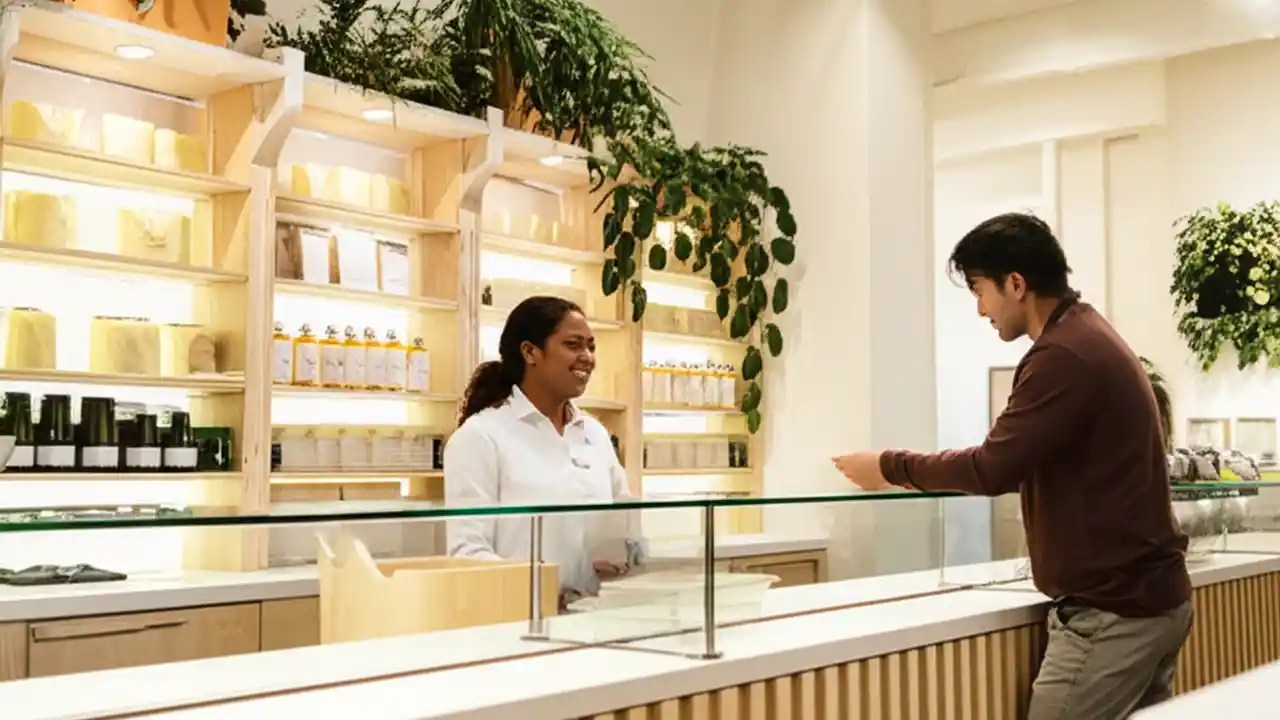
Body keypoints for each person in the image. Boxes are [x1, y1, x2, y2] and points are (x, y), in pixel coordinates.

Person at [832, 213, 1192, 719]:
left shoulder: (1063, 355)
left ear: (1016, 284)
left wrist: (889, 467)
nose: (981, 309)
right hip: (1148, 603)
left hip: (1114, 614)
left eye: (980, 290)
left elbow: (991, 467)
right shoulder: (1087, 334)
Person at [443, 295, 635, 604]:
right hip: (518, 619)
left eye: (591, 347)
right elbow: (468, 553)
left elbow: (624, 527)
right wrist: (544, 588)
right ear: (530, 352)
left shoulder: (595, 434)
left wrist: (621, 559)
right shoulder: (480, 437)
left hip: (595, 616)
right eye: (573, 345)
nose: (587, 357)